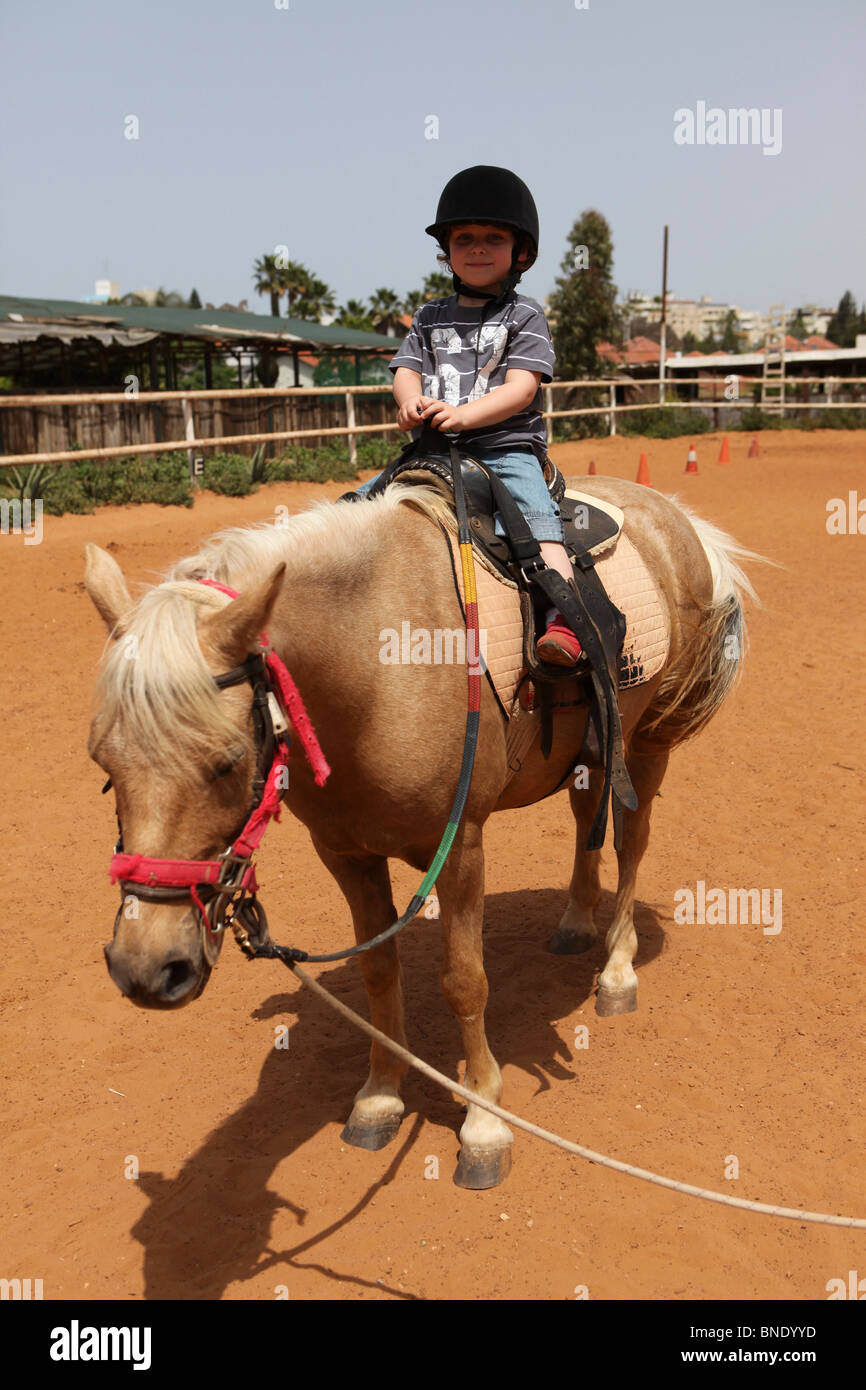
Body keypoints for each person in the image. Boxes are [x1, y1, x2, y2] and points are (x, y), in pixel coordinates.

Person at [356, 165, 582, 667]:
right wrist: (408, 401)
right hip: (435, 448)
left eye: (492, 238)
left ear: (520, 251)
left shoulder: (526, 317)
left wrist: (463, 416)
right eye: (464, 239)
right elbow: (407, 369)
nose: (477, 248)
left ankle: (566, 617)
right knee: (355, 506)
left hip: (505, 449)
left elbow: (521, 389)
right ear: (448, 251)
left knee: (536, 521)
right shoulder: (428, 316)